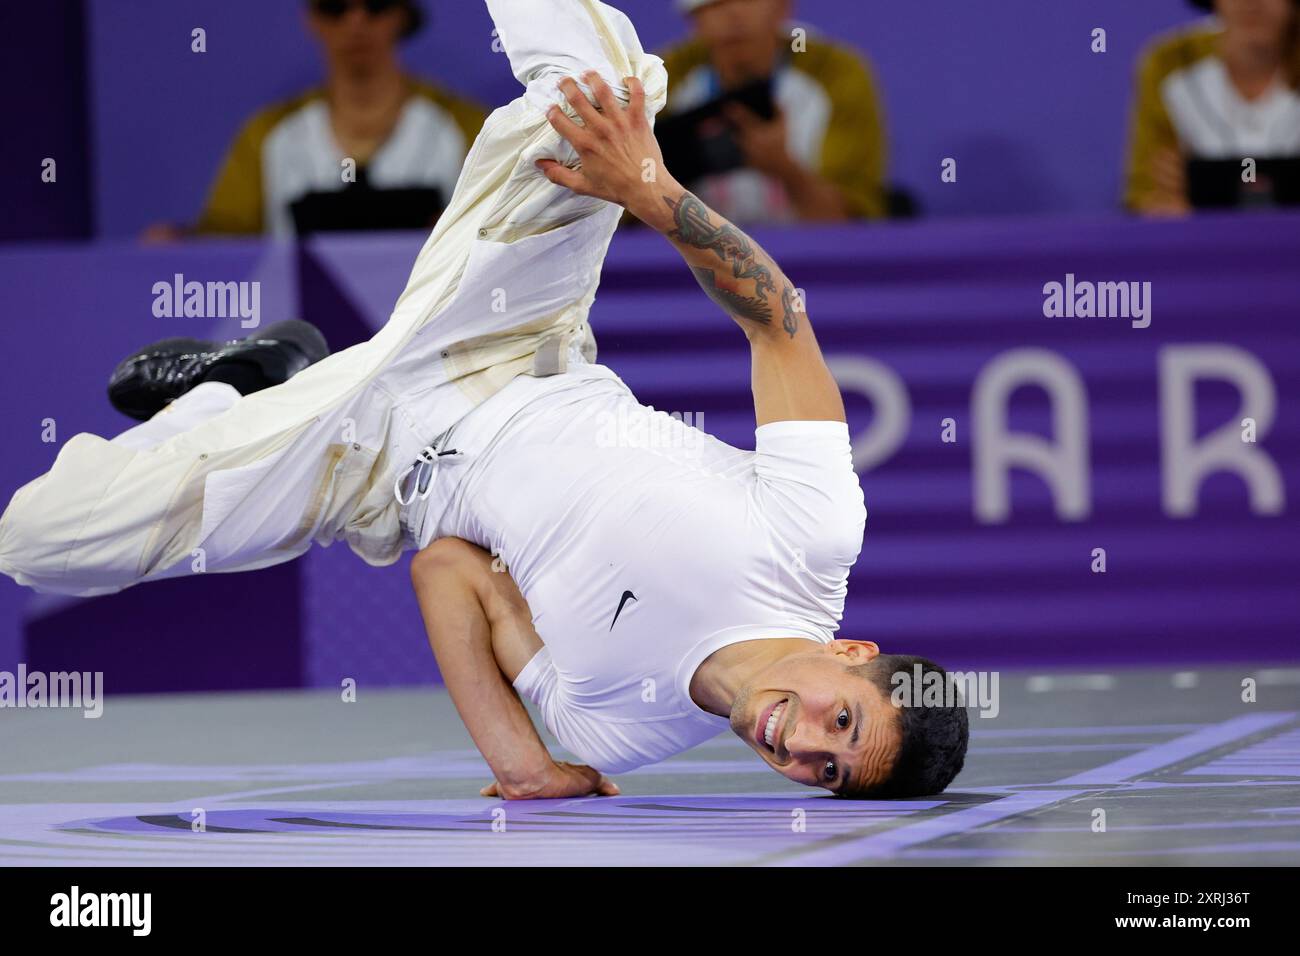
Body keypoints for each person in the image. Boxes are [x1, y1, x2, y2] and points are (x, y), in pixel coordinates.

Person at [0, 0, 966, 800]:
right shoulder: (814, 538)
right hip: (508, 340)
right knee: (616, 88)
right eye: (838, 719)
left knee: (40, 540)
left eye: (826, 773)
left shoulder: (622, 731)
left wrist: (520, 762)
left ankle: (239, 388)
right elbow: (780, 322)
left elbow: (447, 569)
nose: (795, 745)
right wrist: (647, 186)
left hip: (372, 469)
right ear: (851, 650)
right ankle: (266, 382)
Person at [145, 0, 486, 239]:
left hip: (433, 330)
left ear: (403, 15)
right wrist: (179, 241)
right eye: (335, 7)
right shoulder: (266, 135)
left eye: (376, 5)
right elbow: (225, 242)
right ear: (312, 18)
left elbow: (502, 231)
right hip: (299, 333)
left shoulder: (468, 127)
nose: (356, 22)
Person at [656, 0, 887, 223]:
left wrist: (785, 170)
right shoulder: (663, 78)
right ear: (694, 20)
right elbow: (631, 220)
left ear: (782, 7)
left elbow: (851, 228)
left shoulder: (837, 75)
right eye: (716, 3)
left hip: (811, 258)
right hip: (689, 261)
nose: (734, 14)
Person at [1125, 0, 1300, 214]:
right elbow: (1144, 193)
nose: (1252, 4)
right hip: (1200, 243)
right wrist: (1162, 206)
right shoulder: (1169, 63)